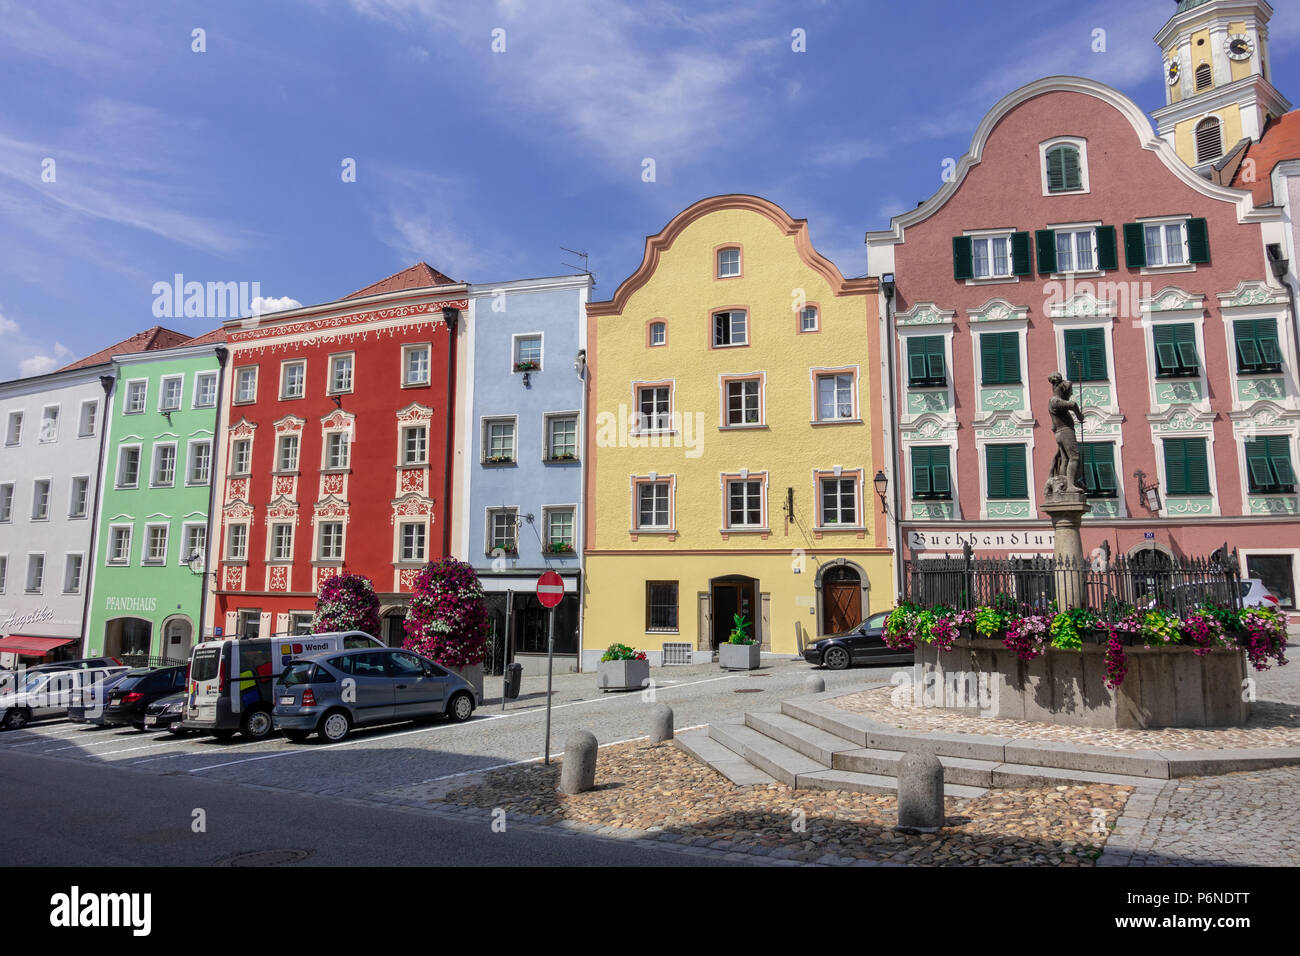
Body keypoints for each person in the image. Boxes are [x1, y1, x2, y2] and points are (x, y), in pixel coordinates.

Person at [1047, 372, 1086, 491]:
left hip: (1060, 433)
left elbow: (1053, 427)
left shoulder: (1052, 402)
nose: (1071, 394)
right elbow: (1073, 404)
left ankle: (1063, 484)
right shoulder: (1056, 401)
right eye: (1070, 392)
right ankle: (1070, 486)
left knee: (1065, 459)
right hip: (1065, 432)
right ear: (1064, 391)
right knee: (1074, 457)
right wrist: (1079, 416)